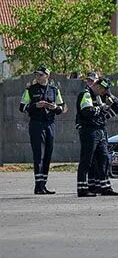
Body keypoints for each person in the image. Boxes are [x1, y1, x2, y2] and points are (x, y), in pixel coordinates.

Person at [19, 65, 65, 195]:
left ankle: (43, 185)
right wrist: (35, 105)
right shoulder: (30, 90)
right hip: (36, 124)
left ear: (47, 76)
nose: (38, 77)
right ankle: (38, 186)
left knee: (48, 155)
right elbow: (22, 107)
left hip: (50, 124)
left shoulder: (54, 90)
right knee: (38, 154)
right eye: (37, 75)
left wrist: (54, 107)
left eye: (40, 74)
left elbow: (61, 108)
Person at [75, 77, 118, 197]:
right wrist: (101, 108)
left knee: (104, 158)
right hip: (89, 130)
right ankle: (82, 188)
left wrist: (109, 94)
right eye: (102, 91)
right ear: (97, 86)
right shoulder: (86, 94)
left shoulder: (100, 95)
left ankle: (105, 187)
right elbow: (87, 111)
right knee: (87, 159)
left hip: (100, 130)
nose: (103, 94)